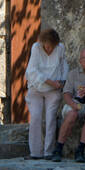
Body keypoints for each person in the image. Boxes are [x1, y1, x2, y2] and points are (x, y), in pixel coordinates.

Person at [24, 28, 67, 159]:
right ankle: (35, 152)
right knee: (36, 117)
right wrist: (50, 82)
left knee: (51, 118)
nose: (49, 50)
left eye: (51, 47)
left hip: (53, 90)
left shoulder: (60, 48)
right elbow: (32, 71)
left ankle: (48, 151)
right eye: (47, 47)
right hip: (36, 88)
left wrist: (62, 81)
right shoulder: (36, 48)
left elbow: (63, 65)